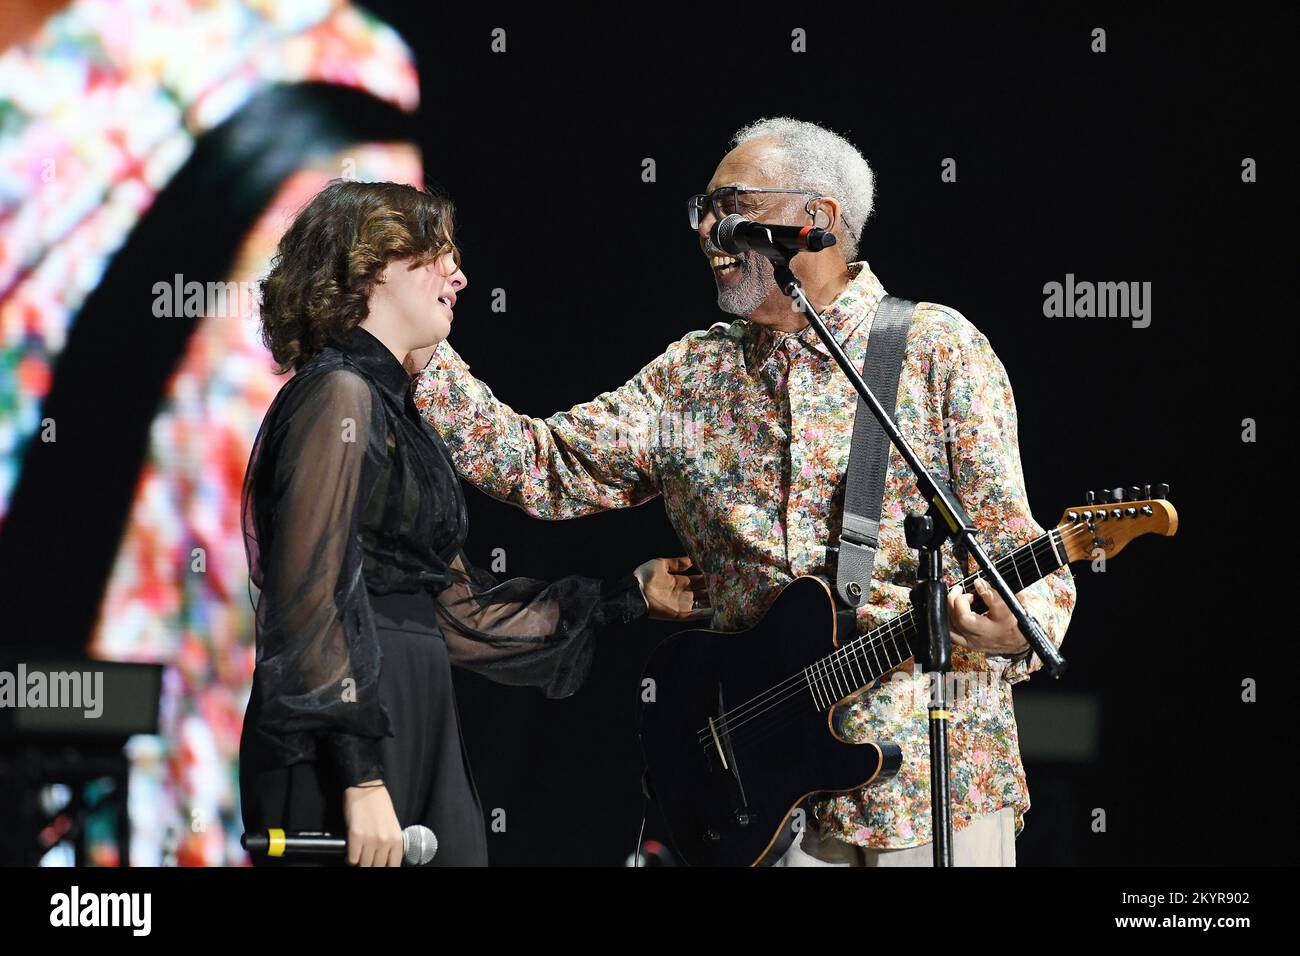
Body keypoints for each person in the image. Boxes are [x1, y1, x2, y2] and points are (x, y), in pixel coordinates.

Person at [411, 117, 1078, 866]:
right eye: (701, 206)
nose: (705, 228)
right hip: (754, 797)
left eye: (730, 205)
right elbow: (545, 466)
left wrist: (1018, 627)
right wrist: (417, 349)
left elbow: (1019, 549)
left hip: (931, 782)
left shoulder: (937, 350)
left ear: (815, 221)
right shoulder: (694, 374)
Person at [238, 179, 707, 867]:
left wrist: (624, 599)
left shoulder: (399, 414)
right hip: (347, 730)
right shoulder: (336, 394)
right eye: (439, 256)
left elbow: (461, 617)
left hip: (415, 710)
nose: (460, 275)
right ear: (374, 266)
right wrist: (361, 775)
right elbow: (310, 598)